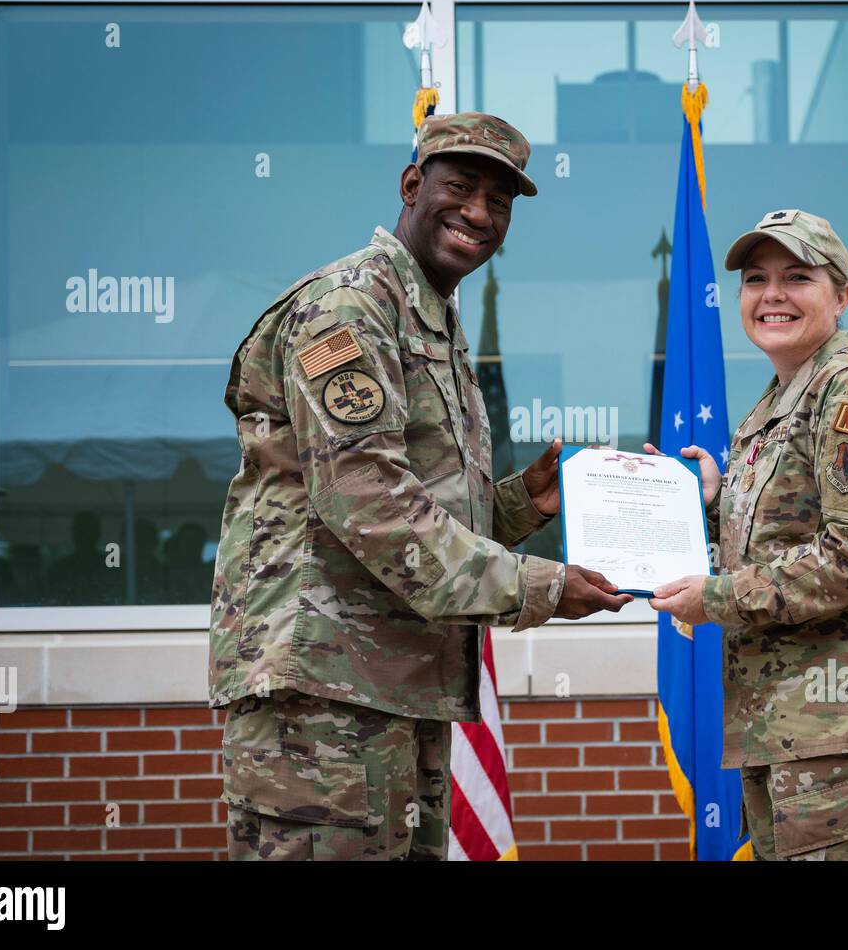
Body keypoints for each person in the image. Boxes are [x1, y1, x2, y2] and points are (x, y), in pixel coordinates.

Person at [210, 112, 631, 861]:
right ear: (412, 185)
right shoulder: (348, 310)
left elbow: (415, 505)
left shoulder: (430, 319)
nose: (478, 213)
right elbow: (369, 505)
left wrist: (518, 505)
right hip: (326, 704)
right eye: (460, 187)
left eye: (498, 202)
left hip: (396, 689)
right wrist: (541, 585)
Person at [649, 209, 848, 860]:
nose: (772, 295)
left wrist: (717, 599)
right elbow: (789, 542)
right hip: (793, 733)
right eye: (756, 279)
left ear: (841, 296)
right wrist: (710, 506)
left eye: (797, 277)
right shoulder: (774, 407)